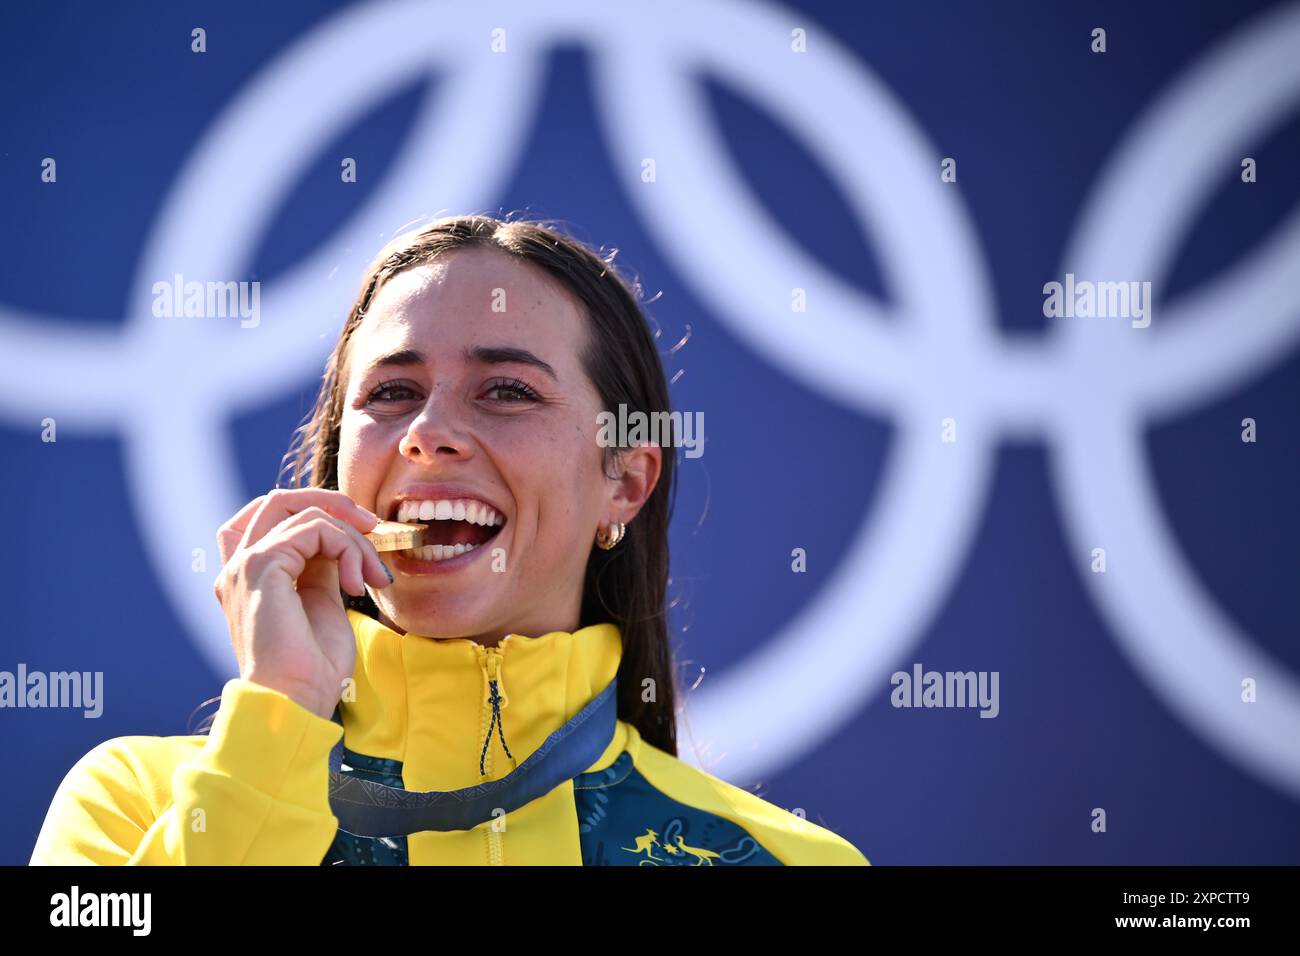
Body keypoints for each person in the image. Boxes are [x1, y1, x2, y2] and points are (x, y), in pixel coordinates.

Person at [29, 214, 869, 866]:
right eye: (391, 393)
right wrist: (281, 710)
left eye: (506, 390)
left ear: (625, 481)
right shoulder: (133, 803)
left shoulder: (786, 858)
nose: (429, 434)